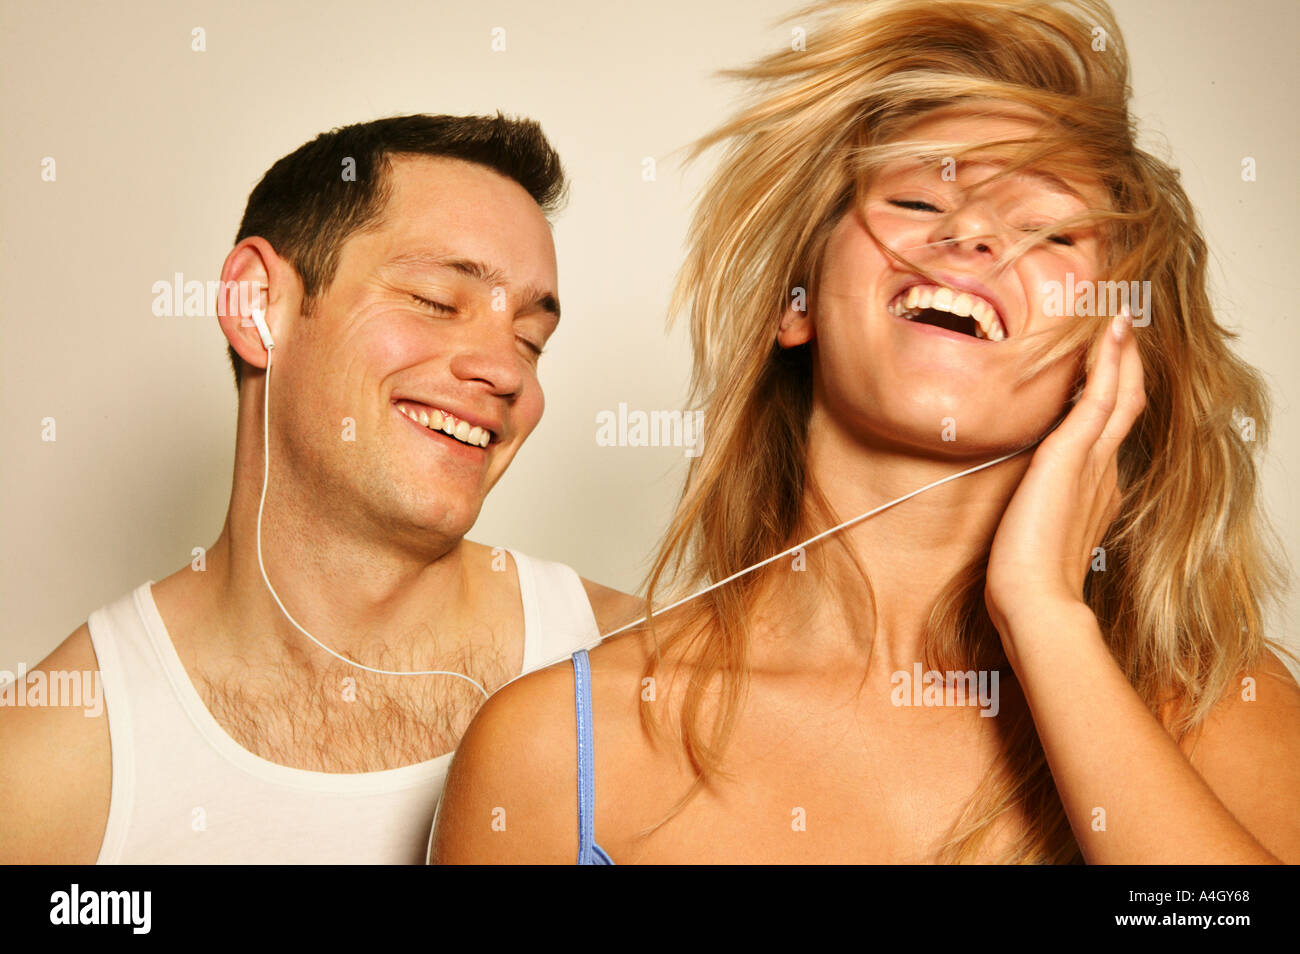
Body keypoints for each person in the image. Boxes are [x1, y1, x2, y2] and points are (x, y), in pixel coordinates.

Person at [430, 0, 1300, 864]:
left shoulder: (1222, 708)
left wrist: (1045, 615)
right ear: (794, 304)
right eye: (920, 198)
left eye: (1049, 230)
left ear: (1114, 348)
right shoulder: (553, 753)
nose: (971, 234)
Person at [0, 113, 636, 864]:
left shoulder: (637, 671)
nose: (508, 372)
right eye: (435, 300)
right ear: (255, 306)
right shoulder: (47, 768)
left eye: (531, 340)